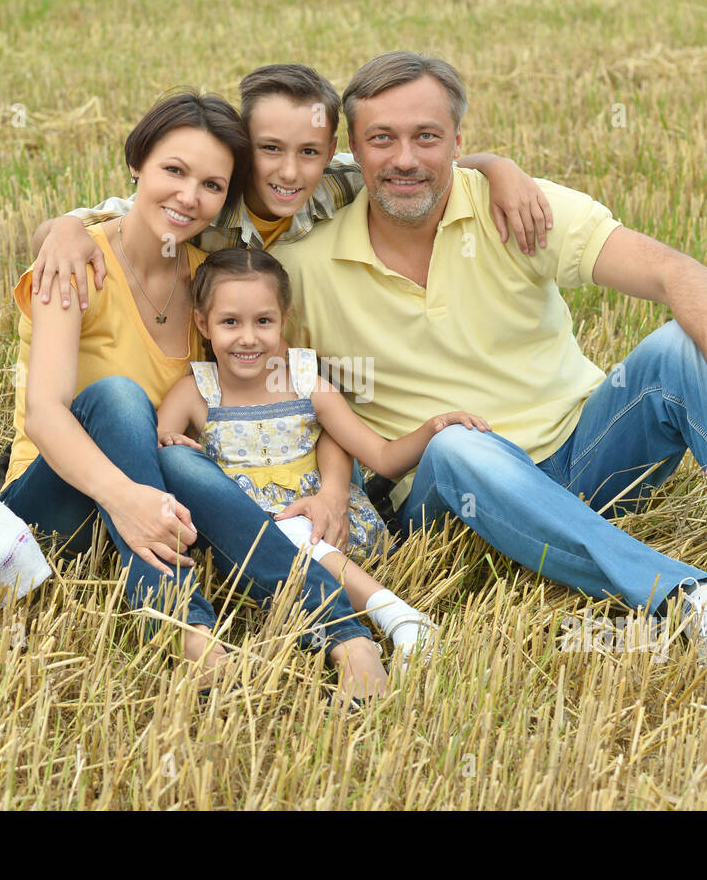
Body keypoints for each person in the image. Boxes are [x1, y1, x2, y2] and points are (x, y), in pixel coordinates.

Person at [269, 51, 707, 653]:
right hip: (451, 498)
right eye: (382, 139)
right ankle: (683, 598)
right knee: (457, 441)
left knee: (681, 347)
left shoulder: (519, 208)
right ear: (351, 151)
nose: (405, 158)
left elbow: (684, 276)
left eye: (427, 137)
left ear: (459, 143)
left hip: (584, 457)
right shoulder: (298, 270)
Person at [27, 63, 552, 553]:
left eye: (309, 153)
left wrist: (496, 167)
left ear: (329, 155)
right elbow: (126, 212)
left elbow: (414, 168)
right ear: (241, 153)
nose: (290, 171)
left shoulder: (338, 185)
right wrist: (65, 228)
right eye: (269, 149)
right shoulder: (204, 212)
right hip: (122, 443)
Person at [0, 91, 390, 700]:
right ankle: (190, 630)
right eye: (173, 171)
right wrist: (123, 496)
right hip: (60, 503)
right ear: (138, 166)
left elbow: (302, 397)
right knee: (120, 398)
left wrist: (495, 169)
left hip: (169, 510)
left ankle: (348, 638)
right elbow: (46, 416)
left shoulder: (215, 284)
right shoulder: (77, 265)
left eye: (211, 185)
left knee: (179, 455)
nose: (188, 197)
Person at [156, 247, 490, 663]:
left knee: (297, 530)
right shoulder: (195, 392)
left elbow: (382, 457)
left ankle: (401, 621)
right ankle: (402, 619)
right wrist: (173, 441)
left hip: (324, 528)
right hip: (246, 542)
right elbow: (160, 454)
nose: (248, 337)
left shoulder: (305, 384)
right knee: (283, 531)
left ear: (284, 320)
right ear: (203, 324)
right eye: (230, 322)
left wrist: (432, 429)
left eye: (264, 321)